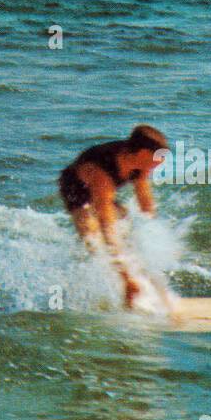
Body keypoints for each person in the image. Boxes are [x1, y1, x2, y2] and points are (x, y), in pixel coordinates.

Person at [59, 125, 171, 308]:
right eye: (159, 157)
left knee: (125, 231)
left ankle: (136, 280)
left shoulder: (141, 163)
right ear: (143, 153)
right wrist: (126, 278)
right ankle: (102, 286)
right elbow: (107, 227)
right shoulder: (101, 174)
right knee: (93, 239)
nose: (161, 161)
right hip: (77, 190)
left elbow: (146, 202)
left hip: (105, 191)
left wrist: (152, 233)